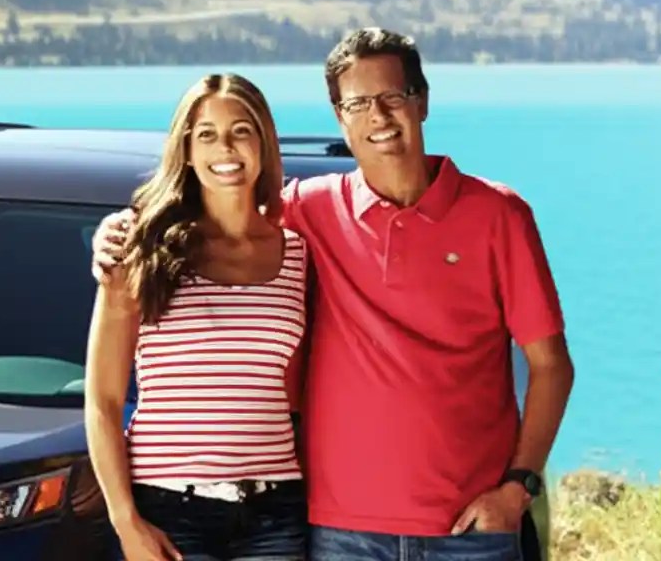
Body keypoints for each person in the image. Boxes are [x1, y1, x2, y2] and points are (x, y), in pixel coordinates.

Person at [90, 29, 575, 561]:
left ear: (423, 100)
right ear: (339, 116)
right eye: (360, 103)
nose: (379, 117)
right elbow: (219, 210)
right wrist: (120, 229)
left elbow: (551, 365)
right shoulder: (306, 213)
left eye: (393, 97)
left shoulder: (495, 216)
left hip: (462, 530)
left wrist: (518, 488)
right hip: (338, 530)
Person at [84, 73, 313, 561]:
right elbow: (102, 399)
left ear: (263, 143)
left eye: (240, 131)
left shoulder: (297, 253)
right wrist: (126, 523)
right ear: (186, 149)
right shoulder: (139, 247)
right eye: (206, 134)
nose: (224, 148)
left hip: (275, 512)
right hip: (168, 511)